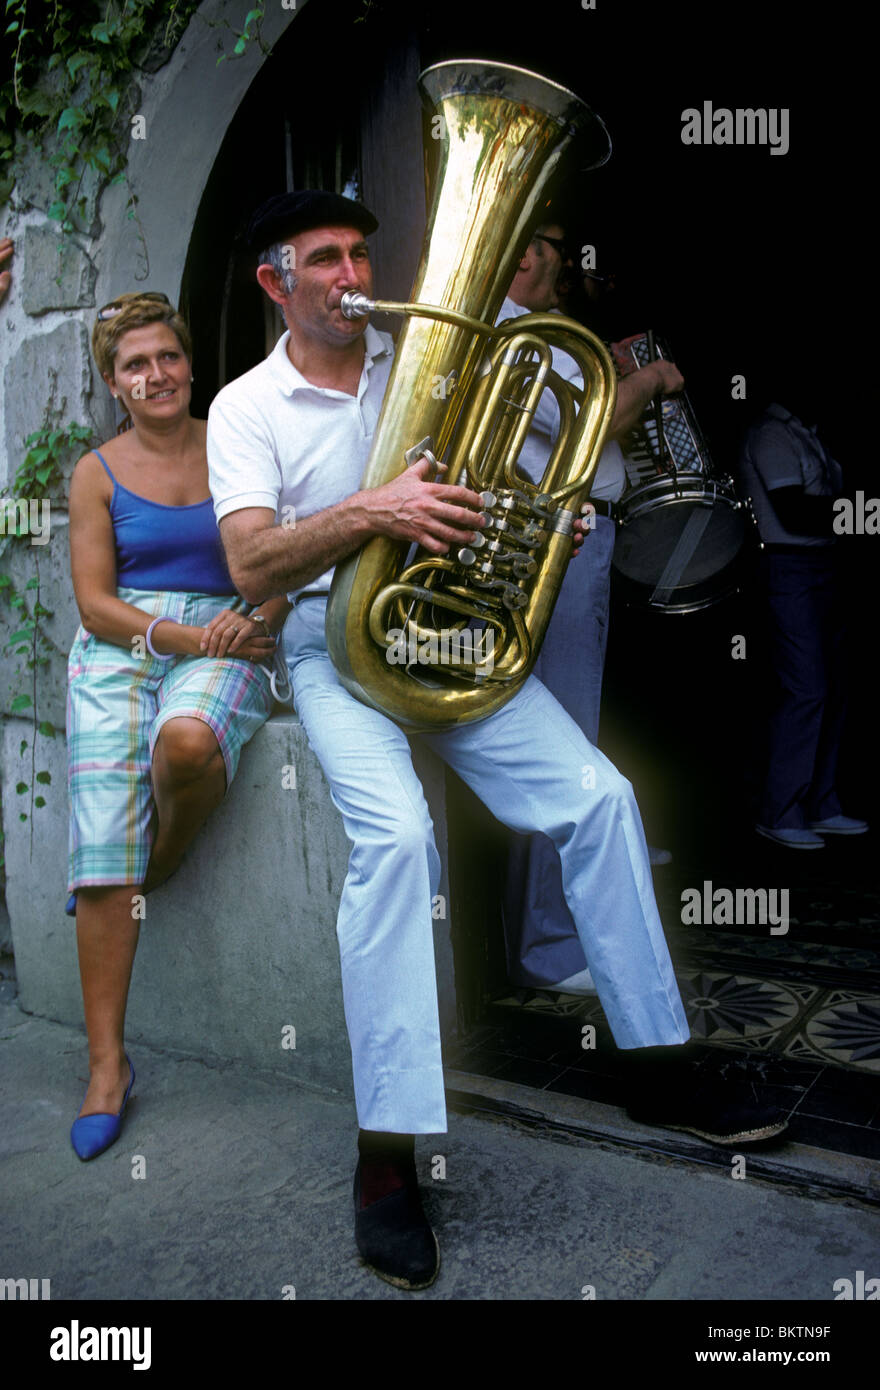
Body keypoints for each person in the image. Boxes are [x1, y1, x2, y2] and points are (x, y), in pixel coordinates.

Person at [207, 190, 786, 1293]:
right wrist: (375, 511)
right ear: (275, 282)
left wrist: (537, 513)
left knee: (600, 796)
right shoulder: (247, 407)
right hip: (340, 647)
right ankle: (385, 1157)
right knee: (398, 847)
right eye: (323, 259)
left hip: (449, 629)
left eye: (358, 252)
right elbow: (251, 566)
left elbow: (501, 471)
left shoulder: (421, 348)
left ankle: (650, 1056)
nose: (351, 273)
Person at [66, 291, 289, 1161]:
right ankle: (106, 1067)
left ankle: (159, 857)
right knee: (97, 845)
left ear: (191, 365)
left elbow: (289, 556)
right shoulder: (97, 471)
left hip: (230, 632)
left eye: (166, 357)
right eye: (134, 365)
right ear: (115, 384)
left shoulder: (238, 436)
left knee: (188, 742)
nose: (154, 375)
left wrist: (256, 613)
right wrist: (172, 634)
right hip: (127, 642)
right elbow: (93, 601)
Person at [498, 224, 682, 994]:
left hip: (575, 538)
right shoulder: (517, 338)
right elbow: (588, 425)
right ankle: (548, 943)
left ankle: (560, 920)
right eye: (541, 241)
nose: (556, 257)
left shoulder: (544, 336)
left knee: (571, 737)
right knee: (564, 742)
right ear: (514, 254)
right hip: (558, 542)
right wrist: (654, 378)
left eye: (557, 243)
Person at [738, 400, 867, 847]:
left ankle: (821, 805)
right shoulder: (771, 433)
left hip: (824, 561)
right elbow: (794, 511)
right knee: (806, 687)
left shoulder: (806, 430)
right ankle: (780, 810)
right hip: (789, 564)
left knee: (834, 687)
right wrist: (868, 515)